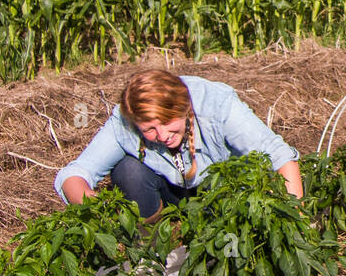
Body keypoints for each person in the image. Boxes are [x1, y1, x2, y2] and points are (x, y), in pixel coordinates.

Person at [55, 69, 302, 218]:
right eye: (149, 129)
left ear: (184, 108)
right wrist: (101, 210)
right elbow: (74, 175)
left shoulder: (216, 105)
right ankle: (150, 235)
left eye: (167, 122)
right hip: (169, 191)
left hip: (222, 192)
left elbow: (280, 157)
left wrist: (295, 218)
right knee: (128, 171)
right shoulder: (124, 123)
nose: (162, 135)